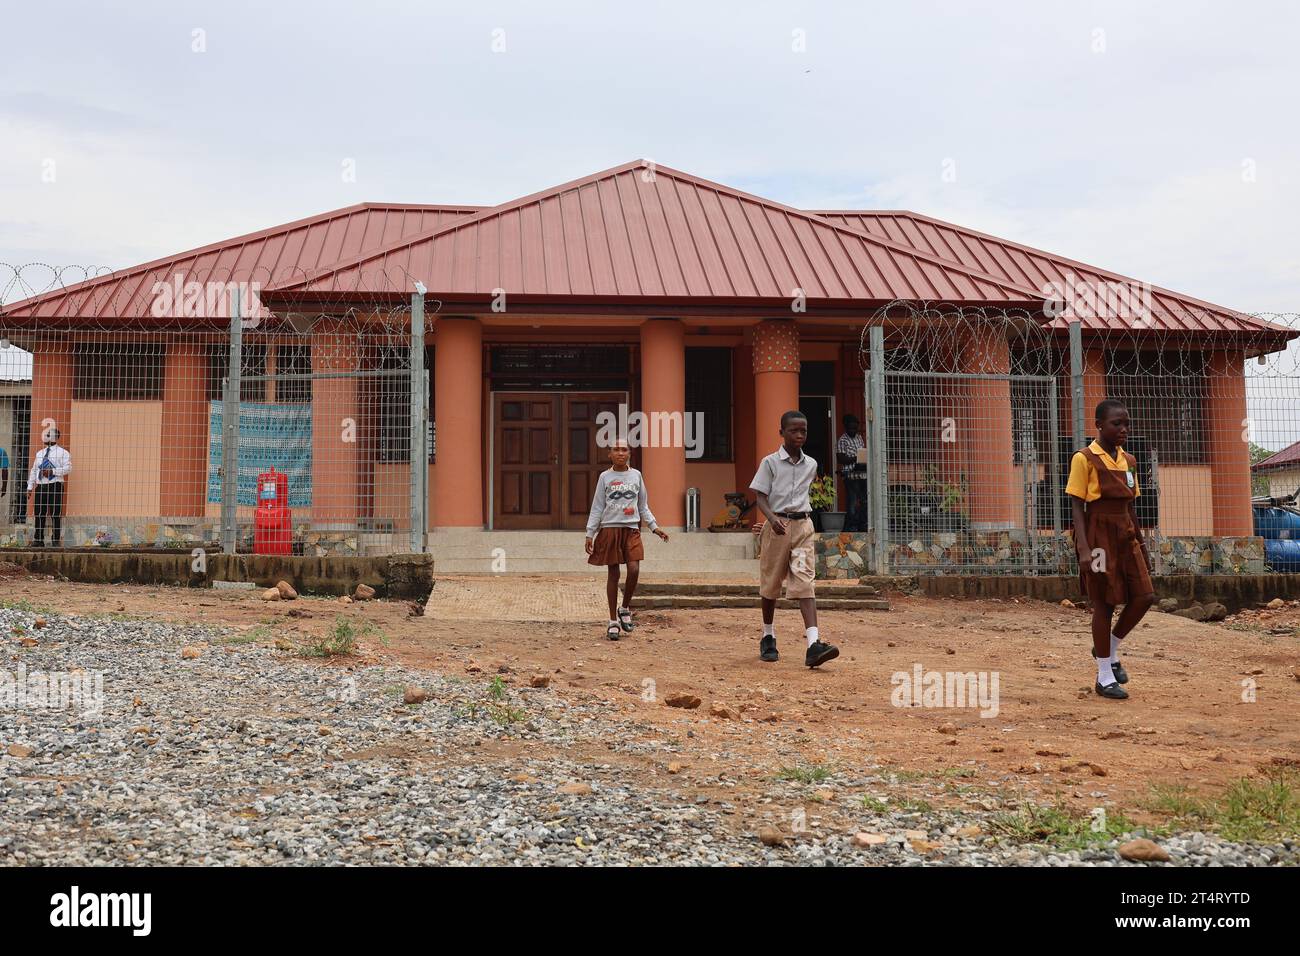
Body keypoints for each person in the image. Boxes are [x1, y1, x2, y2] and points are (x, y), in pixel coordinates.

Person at [1067, 399, 1156, 701]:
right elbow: (1077, 506)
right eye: (1116, 424)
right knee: (1104, 603)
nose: (1123, 429)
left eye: (1126, 424)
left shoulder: (1129, 461)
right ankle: (1104, 676)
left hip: (1125, 533)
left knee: (1145, 596)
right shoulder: (1084, 458)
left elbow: (1131, 506)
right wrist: (1083, 548)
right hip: (1099, 533)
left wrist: (1142, 544)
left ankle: (1110, 647)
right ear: (1099, 426)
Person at [750, 410, 840, 668]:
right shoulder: (770, 463)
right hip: (777, 526)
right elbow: (761, 497)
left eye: (803, 431)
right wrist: (771, 519)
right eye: (794, 430)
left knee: (804, 581)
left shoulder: (811, 464)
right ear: (782, 433)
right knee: (771, 583)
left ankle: (813, 644)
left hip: (802, 527)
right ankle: (768, 636)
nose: (799, 435)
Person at [585, 441, 669, 640]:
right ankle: (613, 621)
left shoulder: (636, 475)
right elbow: (597, 507)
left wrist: (654, 527)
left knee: (634, 569)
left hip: (631, 528)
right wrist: (590, 533)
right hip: (609, 529)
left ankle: (625, 608)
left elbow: (643, 505)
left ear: (629, 453)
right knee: (613, 574)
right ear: (609, 454)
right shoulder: (605, 477)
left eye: (624, 449)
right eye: (616, 449)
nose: (620, 453)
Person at [28, 426, 72, 548]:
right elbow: (34, 470)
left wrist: (53, 471)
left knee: (55, 513)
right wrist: (30, 486)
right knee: (39, 513)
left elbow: (68, 468)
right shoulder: (40, 453)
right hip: (41, 485)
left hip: (55, 485)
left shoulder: (63, 453)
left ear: (54, 437)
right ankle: (38, 539)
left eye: (47, 434)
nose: (44, 437)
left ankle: (55, 540)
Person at [836, 414, 868, 531]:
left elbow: (863, 453)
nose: (853, 430)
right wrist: (856, 458)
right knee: (853, 502)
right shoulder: (842, 440)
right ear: (845, 427)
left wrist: (862, 458)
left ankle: (863, 525)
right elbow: (841, 458)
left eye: (855, 428)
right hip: (850, 475)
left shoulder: (859, 438)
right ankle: (852, 527)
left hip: (862, 474)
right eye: (851, 428)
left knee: (865, 501)